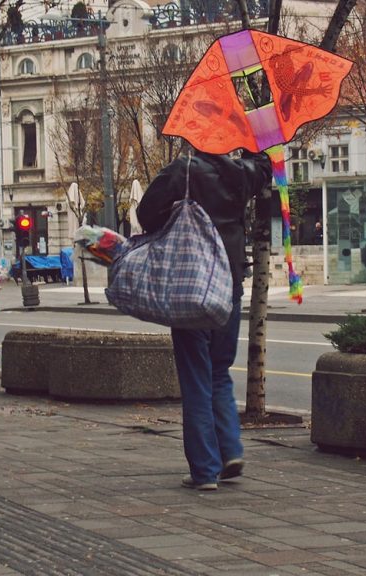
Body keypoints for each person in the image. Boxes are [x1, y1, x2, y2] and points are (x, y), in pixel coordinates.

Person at [137, 149, 272, 491]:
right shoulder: (243, 173)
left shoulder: (183, 171)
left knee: (197, 376)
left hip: (193, 282)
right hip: (230, 283)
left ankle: (204, 471)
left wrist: (171, 213)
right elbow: (264, 166)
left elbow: (146, 213)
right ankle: (230, 452)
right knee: (218, 371)